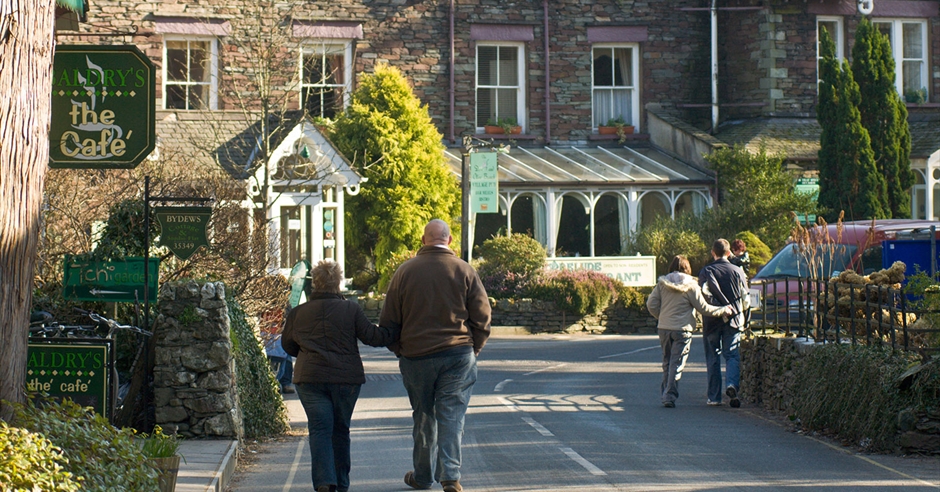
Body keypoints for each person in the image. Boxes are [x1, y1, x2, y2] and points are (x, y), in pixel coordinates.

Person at [380, 219, 492, 492]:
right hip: (457, 354)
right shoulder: (464, 270)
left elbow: (389, 322)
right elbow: (482, 316)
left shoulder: (404, 272)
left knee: (424, 415)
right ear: (449, 240)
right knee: (452, 415)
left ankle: (422, 476)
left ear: (423, 240)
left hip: (416, 356)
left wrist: (401, 349)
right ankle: (450, 476)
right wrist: (473, 348)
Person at [281, 260, 400, 492]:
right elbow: (373, 338)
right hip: (346, 380)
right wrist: (395, 328)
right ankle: (342, 483)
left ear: (314, 283)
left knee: (319, 428)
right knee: (340, 429)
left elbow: (288, 345)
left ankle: (325, 482)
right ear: (339, 283)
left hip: (310, 379)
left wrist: (306, 355)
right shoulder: (351, 310)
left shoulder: (298, 313)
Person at [647, 255, 733, 408]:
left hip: (664, 328)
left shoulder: (662, 284)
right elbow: (704, 308)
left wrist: (661, 317)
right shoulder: (691, 286)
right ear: (687, 268)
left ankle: (665, 392)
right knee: (676, 363)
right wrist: (723, 310)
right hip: (683, 329)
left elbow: (651, 304)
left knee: (667, 362)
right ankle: (669, 395)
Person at [698, 239, 751, 408]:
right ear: (729, 253)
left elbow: (703, 296)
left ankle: (714, 397)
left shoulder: (706, 271)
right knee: (732, 355)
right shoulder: (738, 271)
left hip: (712, 319)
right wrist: (744, 317)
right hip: (734, 319)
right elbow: (746, 299)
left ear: (713, 253)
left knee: (712, 357)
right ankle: (732, 385)